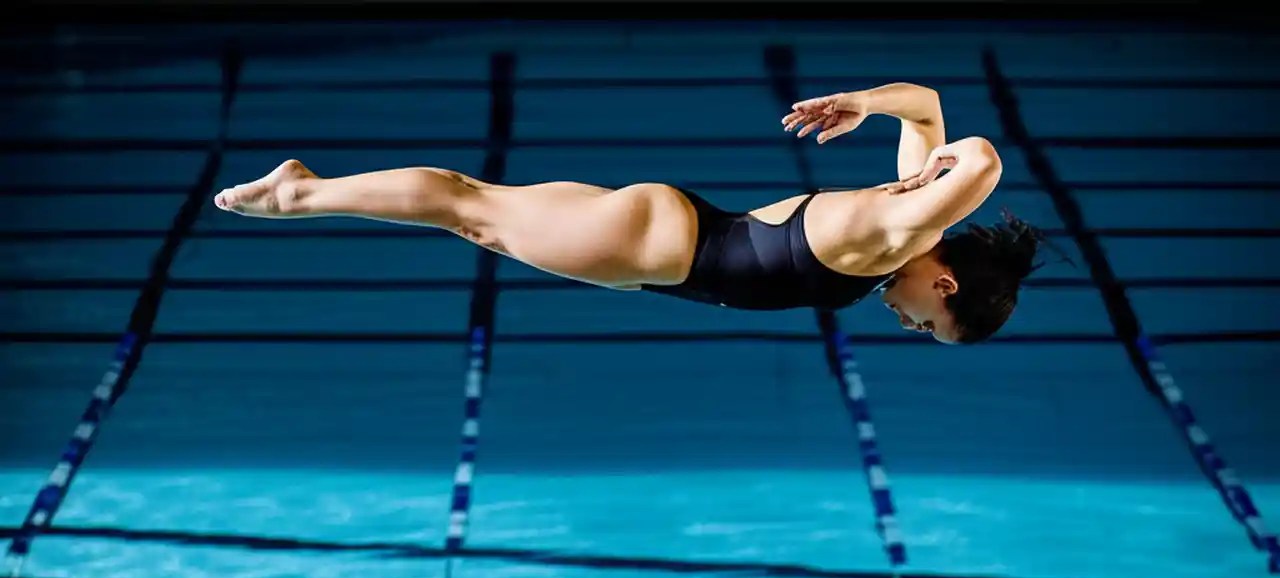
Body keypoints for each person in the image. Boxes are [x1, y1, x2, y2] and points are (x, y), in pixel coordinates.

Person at [213, 82, 1044, 344]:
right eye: (929, 326)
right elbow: (978, 156)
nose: (908, 327)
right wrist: (962, 162)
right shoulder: (909, 228)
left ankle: (306, 190)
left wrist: (870, 102)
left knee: (474, 207)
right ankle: (301, 193)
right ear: (945, 286)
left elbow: (926, 108)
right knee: (468, 214)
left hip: (676, 224)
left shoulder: (905, 226)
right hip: (660, 250)